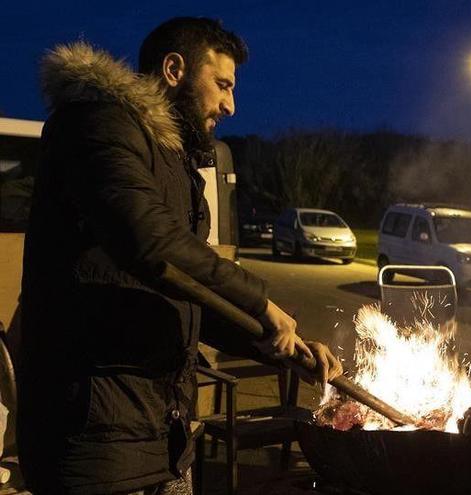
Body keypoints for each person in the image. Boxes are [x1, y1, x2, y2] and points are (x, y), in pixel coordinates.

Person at [18, 17, 342, 494]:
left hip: (164, 437)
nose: (231, 105)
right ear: (174, 69)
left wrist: (277, 346)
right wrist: (261, 303)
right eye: (222, 85)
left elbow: (189, 298)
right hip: (94, 438)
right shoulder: (95, 126)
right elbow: (151, 242)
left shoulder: (174, 163)